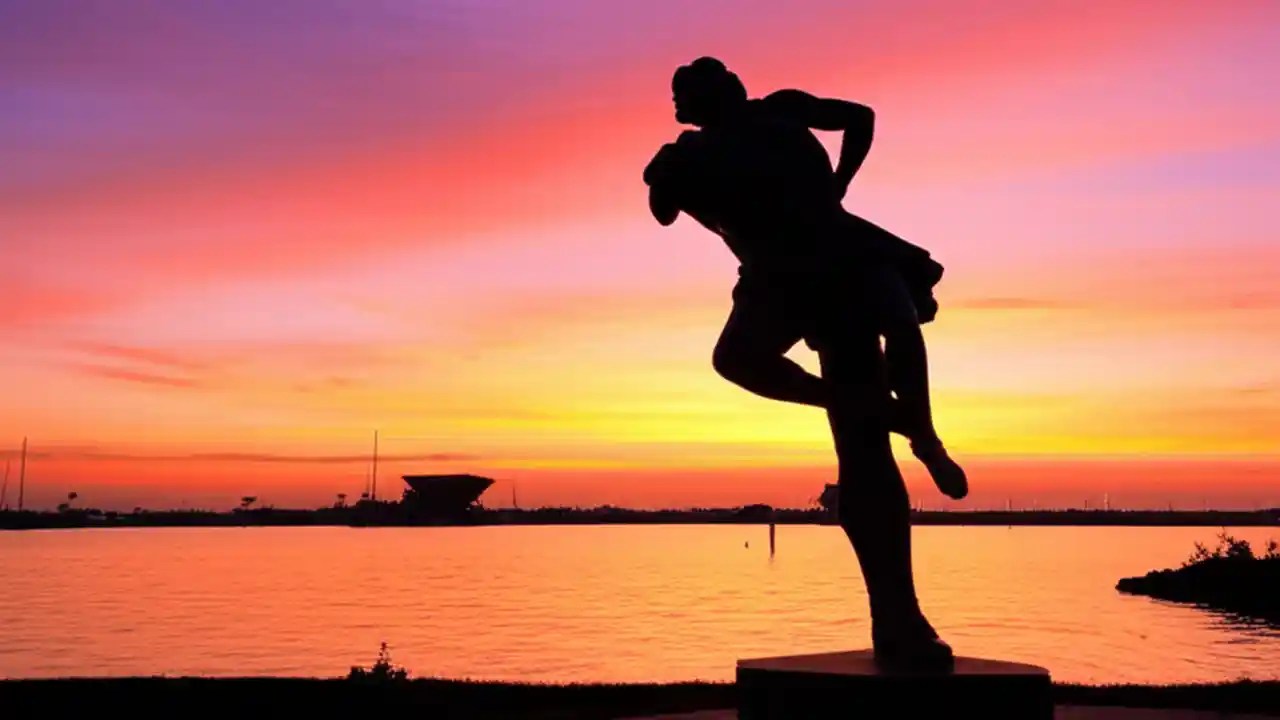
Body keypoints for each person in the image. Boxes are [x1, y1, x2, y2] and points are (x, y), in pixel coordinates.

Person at [643, 57, 963, 671]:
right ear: (692, 109)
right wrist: (664, 172)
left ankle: (918, 430)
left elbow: (860, 119)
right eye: (696, 98)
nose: (715, 101)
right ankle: (876, 411)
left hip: (842, 252)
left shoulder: (781, 108)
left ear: (735, 89)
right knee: (737, 360)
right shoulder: (688, 156)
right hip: (776, 280)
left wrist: (841, 180)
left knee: (896, 322)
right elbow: (661, 209)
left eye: (719, 88)